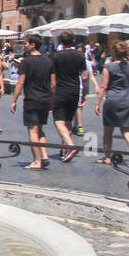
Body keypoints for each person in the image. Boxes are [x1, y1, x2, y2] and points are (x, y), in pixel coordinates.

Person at [11, 35, 54, 170]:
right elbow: (53, 84)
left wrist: (14, 100)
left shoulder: (26, 62)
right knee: (40, 129)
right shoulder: (49, 61)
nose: (24, 46)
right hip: (45, 99)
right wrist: (52, 101)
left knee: (33, 131)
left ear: (33, 45)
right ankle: (45, 155)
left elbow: (20, 83)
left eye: (26, 43)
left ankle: (36, 161)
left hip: (32, 99)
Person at [94, 42, 129, 164]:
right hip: (127, 98)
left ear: (114, 52)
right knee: (127, 131)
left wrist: (98, 103)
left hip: (113, 100)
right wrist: (128, 56)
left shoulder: (109, 67)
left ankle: (107, 157)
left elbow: (104, 87)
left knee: (108, 131)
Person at [50, 32, 87, 162]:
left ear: (61, 42)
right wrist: (85, 94)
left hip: (61, 91)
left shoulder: (55, 57)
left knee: (58, 121)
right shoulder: (80, 55)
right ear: (73, 41)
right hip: (75, 91)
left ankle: (70, 146)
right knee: (68, 121)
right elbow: (85, 77)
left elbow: (53, 81)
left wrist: (52, 96)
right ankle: (64, 149)